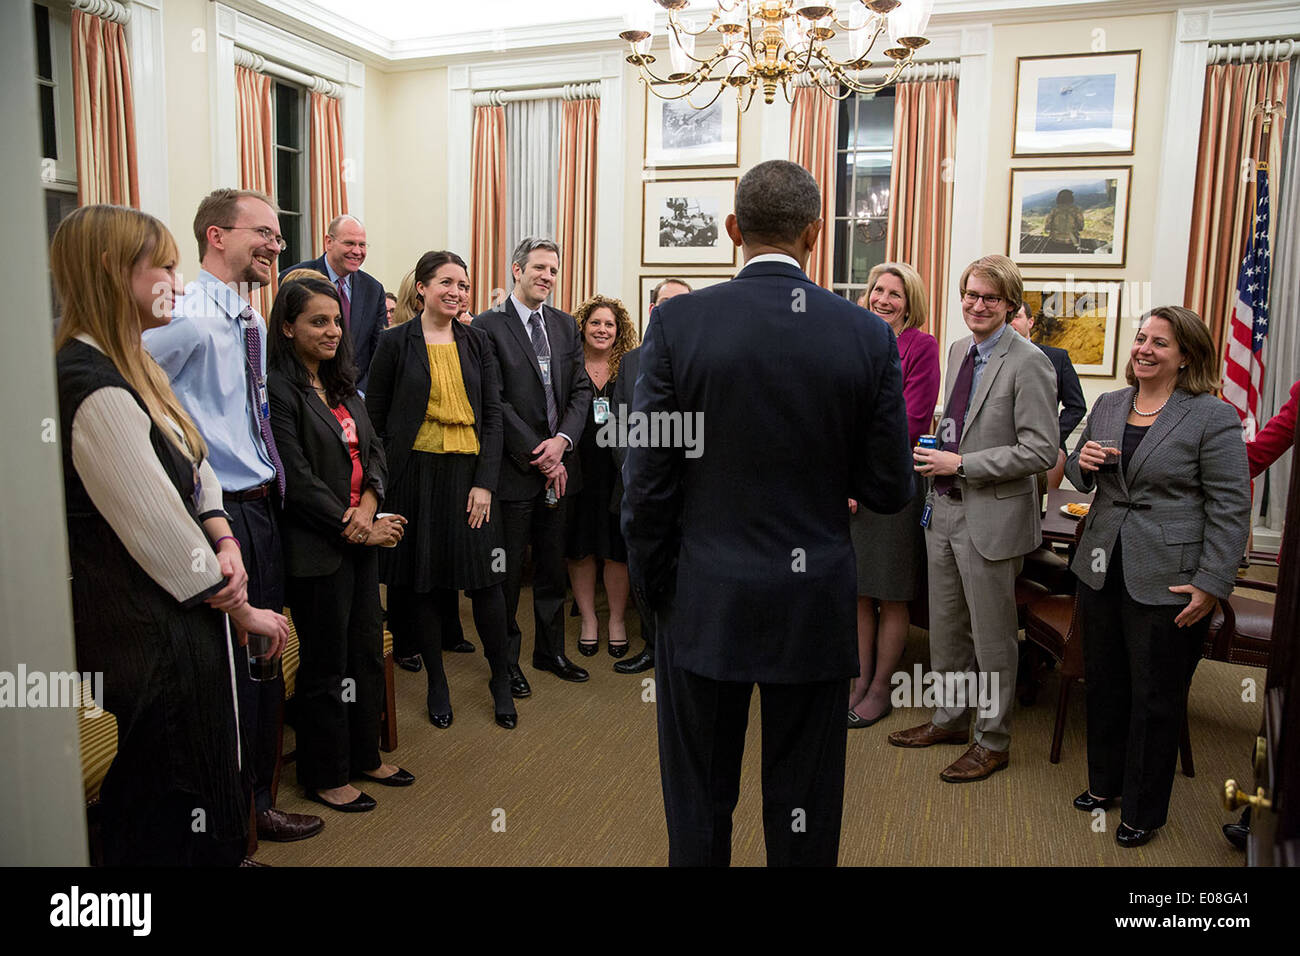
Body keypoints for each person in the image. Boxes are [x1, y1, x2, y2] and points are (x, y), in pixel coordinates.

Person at [623, 160, 913, 866]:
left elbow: (645, 480)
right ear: (817, 232)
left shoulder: (677, 322)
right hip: (811, 604)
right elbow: (888, 488)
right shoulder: (866, 334)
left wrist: (658, 590)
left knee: (698, 801)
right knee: (804, 807)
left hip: (701, 598)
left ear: (732, 230)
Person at [52, 204, 290, 865]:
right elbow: (155, 525)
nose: (179, 286)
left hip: (185, 610)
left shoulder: (131, 363)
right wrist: (241, 605)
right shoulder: (87, 379)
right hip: (143, 631)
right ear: (112, 271)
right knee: (168, 789)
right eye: (163, 267)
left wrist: (222, 532)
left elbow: (196, 460)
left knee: (197, 774)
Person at [144, 188, 324, 846]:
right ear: (217, 237)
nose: (278, 244)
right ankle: (236, 818)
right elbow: (130, 397)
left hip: (261, 508)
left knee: (268, 655)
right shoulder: (184, 316)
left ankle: (260, 801)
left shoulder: (247, 317)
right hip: (218, 518)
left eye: (279, 235)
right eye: (265, 233)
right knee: (233, 671)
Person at [1066, 306, 1250, 848]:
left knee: (1155, 695)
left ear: (1186, 356)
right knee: (1104, 683)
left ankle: (1143, 811)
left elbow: (1230, 506)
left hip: (1170, 576)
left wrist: (1213, 582)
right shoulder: (1109, 403)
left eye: (1159, 343)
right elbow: (1077, 475)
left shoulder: (1211, 416)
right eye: (1141, 338)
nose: (1144, 349)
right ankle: (1104, 786)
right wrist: (1087, 461)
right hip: (1101, 567)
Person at [893, 254, 1058, 782]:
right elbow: (962, 419)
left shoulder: (1029, 361)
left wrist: (962, 463)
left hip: (993, 519)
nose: (977, 305)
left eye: (989, 297)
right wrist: (940, 449)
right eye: (970, 294)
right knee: (946, 630)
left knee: (991, 639)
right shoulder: (962, 349)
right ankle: (949, 717)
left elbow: (1040, 450)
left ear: (1010, 304)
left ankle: (993, 740)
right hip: (941, 511)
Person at [267, 276, 415, 811]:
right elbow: (295, 476)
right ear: (288, 327)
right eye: (317, 321)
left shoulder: (344, 384)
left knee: (367, 653)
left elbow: (375, 451)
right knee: (327, 664)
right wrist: (351, 522)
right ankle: (324, 773)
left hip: (361, 536)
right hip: (317, 545)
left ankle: (364, 756)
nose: (332, 331)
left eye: (336, 321)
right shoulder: (277, 390)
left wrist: (369, 511)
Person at [367, 251, 517, 730]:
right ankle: (437, 680)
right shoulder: (394, 343)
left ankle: (500, 676)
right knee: (426, 582)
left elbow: (493, 416)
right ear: (423, 289)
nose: (457, 292)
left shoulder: (478, 343)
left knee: (487, 583)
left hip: (470, 478)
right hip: (413, 477)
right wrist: (380, 485)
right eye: (446, 282)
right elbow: (376, 416)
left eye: (464, 285)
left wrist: (485, 484)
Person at [473, 238, 594, 697]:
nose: (547, 276)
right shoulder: (487, 326)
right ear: (516, 270)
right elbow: (493, 400)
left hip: (561, 469)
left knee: (551, 568)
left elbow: (581, 390)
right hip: (513, 471)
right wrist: (538, 451)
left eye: (554, 270)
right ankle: (505, 663)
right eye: (540, 268)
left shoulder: (565, 325)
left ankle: (550, 651)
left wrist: (561, 443)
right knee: (505, 573)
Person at [846, 263, 940, 728]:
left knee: (892, 591)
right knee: (859, 591)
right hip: (848, 485)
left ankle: (881, 687)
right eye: (877, 290)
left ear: (911, 302)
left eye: (895, 293)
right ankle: (857, 679)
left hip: (892, 482)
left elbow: (913, 420)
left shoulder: (922, 347)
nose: (883, 299)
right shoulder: (854, 337)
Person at [611, 277, 691, 675]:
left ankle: (684, 650)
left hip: (692, 490)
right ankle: (652, 646)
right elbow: (618, 425)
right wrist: (635, 475)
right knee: (643, 566)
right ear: (652, 309)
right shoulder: (631, 361)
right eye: (665, 303)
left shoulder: (705, 355)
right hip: (641, 488)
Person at [567, 294, 639, 657]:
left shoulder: (629, 367)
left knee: (616, 549)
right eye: (595, 322)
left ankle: (616, 620)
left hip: (617, 470)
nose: (602, 329)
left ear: (619, 330)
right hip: (576, 468)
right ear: (583, 326)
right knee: (579, 546)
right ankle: (588, 619)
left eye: (609, 324)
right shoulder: (569, 365)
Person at [279, 214, 386, 392]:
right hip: (307, 392)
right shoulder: (297, 277)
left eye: (362, 245)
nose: (357, 251)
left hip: (357, 396)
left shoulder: (373, 290)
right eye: (350, 243)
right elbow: (286, 343)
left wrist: (360, 394)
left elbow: (378, 352)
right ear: (329, 242)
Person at [1010, 299, 1086, 488]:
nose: (1011, 322)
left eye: (1017, 317)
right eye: (1007, 318)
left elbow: (1076, 406)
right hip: (1001, 452)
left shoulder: (1057, 358)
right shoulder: (990, 358)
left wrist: (1053, 437)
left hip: (1046, 456)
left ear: (1031, 322)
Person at [1043, 189, 1085, 253]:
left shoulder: (1054, 210)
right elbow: (1081, 227)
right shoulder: (1076, 210)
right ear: (1071, 198)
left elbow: (1047, 227)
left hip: (1055, 241)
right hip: (1071, 242)